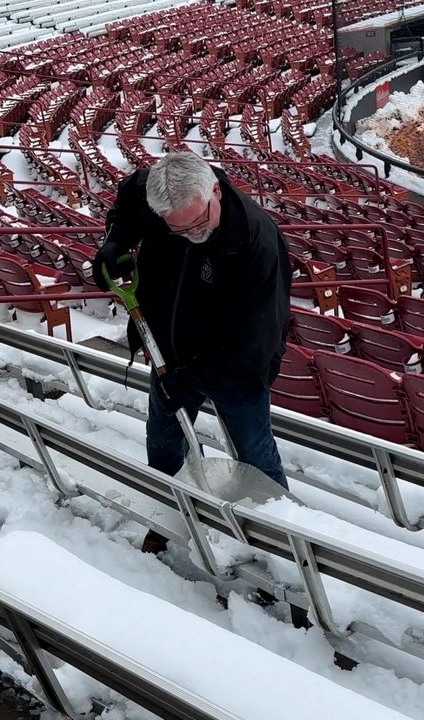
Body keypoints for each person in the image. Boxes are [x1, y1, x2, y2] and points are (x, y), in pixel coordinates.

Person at [92, 151, 292, 552]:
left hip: (234, 367)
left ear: (215, 190)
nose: (193, 234)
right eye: (177, 229)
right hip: (170, 350)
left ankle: (279, 539)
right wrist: (115, 239)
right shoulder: (159, 192)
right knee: (162, 439)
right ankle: (166, 512)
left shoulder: (257, 242)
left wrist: (191, 376)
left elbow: (255, 344)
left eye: (200, 222)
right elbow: (128, 199)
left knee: (252, 451)